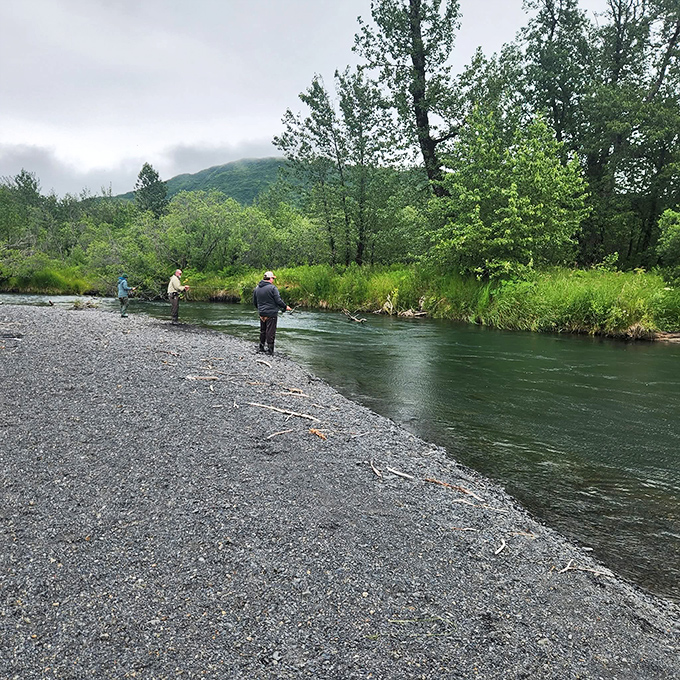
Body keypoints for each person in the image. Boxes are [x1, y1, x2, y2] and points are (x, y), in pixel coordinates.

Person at [252, 270, 291, 355]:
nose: (273, 280)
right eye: (273, 278)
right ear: (270, 279)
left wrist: (260, 309)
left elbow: (255, 302)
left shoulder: (257, 288)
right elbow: (278, 300)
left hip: (261, 313)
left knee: (263, 330)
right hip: (271, 313)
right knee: (270, 331)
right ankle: (270, 350)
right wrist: (285, 307)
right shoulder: (273, 288)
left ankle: (261, 347)